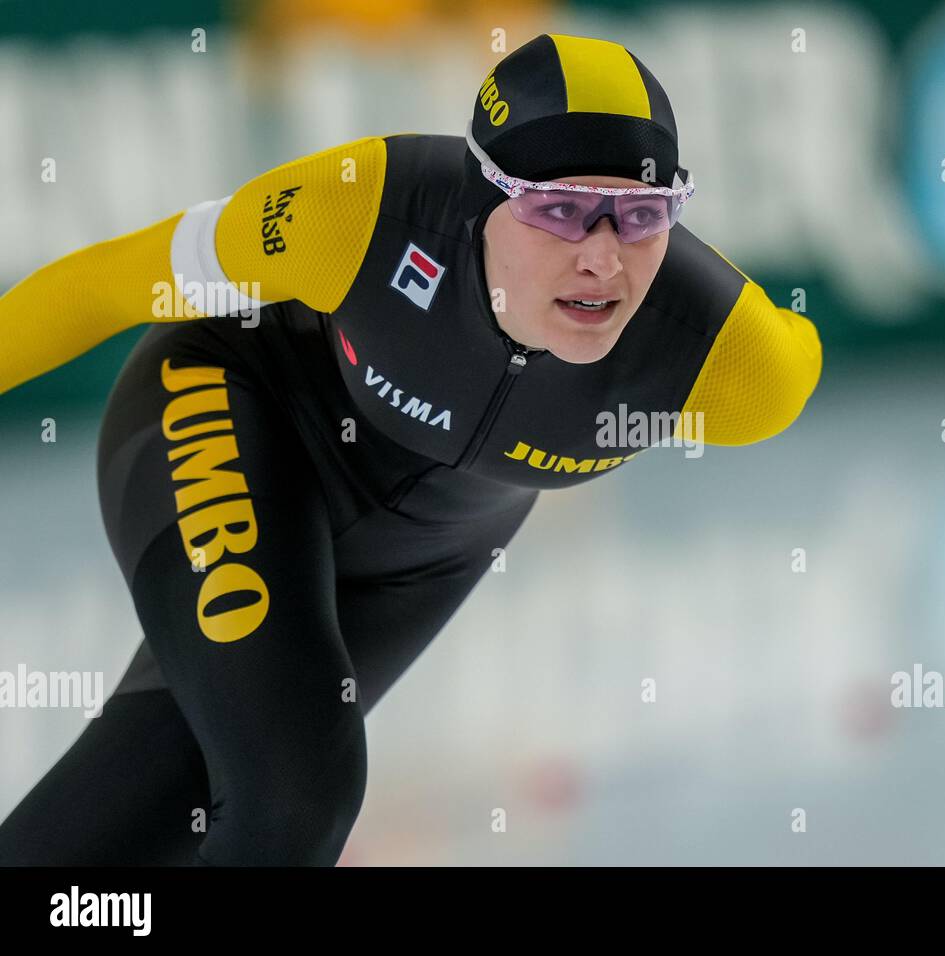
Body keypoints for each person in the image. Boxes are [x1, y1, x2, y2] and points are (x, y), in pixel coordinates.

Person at [0, 33, 822, 865]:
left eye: (642, 216)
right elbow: (103, 284)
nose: (603, 257)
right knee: (293, 793)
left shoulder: (731, 363)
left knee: (142, 810)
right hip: (234, 406)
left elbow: (793, 354)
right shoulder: (355, 214)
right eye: (560, 210)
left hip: (427, 553)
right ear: (482, 195)